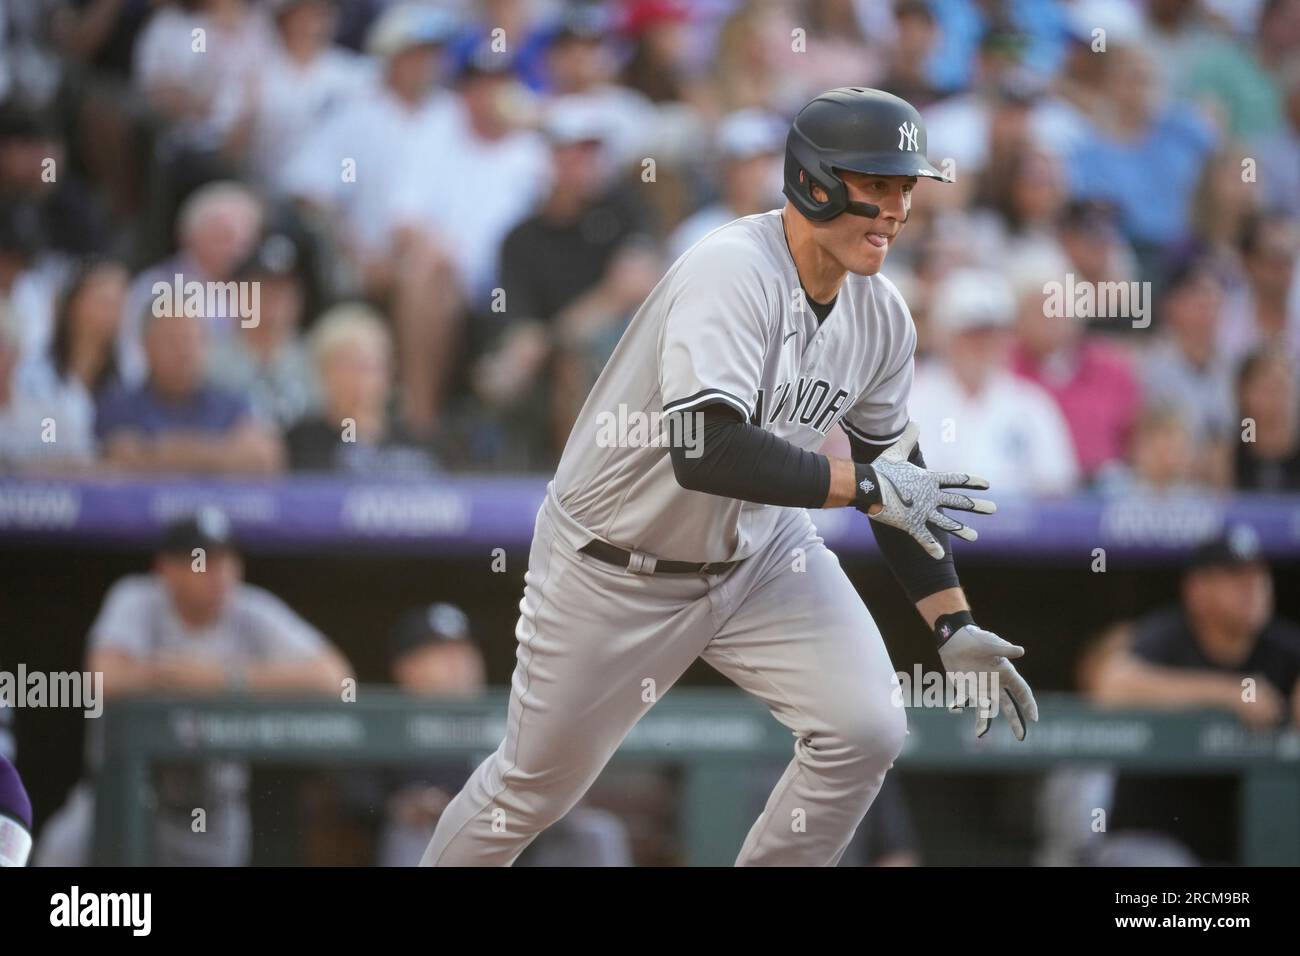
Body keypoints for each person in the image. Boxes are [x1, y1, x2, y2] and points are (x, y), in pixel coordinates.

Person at [419, 88, 1038, 868]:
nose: (895, 209)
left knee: (867, 728)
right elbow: (705, 449)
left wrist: (951, 623)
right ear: (814, 181)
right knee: (531, 791)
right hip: (613, 563)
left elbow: (899, 477)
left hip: (759, 556)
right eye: (875, 185)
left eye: (905, 188)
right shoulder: (730, 269)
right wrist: (870, 486)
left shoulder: (883, 315)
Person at [34, 509, 353, 866]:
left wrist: (223, 679)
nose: (220, 574)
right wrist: (168, 677)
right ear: (166, 569)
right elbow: (100, 679)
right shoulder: (137, 598)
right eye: (203, 562)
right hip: (121, 798)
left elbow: (337, 678)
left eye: (228, 561)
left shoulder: (251, 610)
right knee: (58, 856)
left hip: (210, 816)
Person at [1088, 524, 1300, 864]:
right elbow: (1110, 686)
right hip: (1154, 838)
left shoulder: (1283, 647)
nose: (1253, 588)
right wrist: (1229, 693)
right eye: (1235, 578)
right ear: (1197, 590)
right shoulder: (1168, 635)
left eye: (1259, 577)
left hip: (1251, 842)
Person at [372, 603, 632, 867]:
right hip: (443, 837)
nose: (459, 663)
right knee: (408, 830)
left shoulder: (516, 708)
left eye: (466, 651)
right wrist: (402, 803)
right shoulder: (383, 723)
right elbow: (358, 797)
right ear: (407, 668)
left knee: (595, 829)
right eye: (442, 653)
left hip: (525, 836)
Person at [908, 268, 1080, 496]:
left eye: (991, 333)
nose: (982, 344)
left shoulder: (1032, 403)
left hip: (1020, 530)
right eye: (971, 333)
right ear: (946, 335)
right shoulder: (912, 399)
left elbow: (1058, 486)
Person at [95, 307, 284, 475]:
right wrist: (224, 454)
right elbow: (123, 458)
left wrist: (171, 452)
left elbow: (264, 457)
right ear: (146, 346)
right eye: (171, 341)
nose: (183, 351)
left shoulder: (230, 403)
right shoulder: (118, 406)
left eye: (190, 340)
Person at [285, 303, 438, 476]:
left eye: (373, 366)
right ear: (323, 372)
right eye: (352, 366)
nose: (364, 379)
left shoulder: (414, 443)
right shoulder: (300, 444)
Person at [1233, 348, 1300, 492]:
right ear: (1244, 393)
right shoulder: (1229, 455)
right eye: (1267, 389)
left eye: (1281, 387)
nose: (1275, 399)